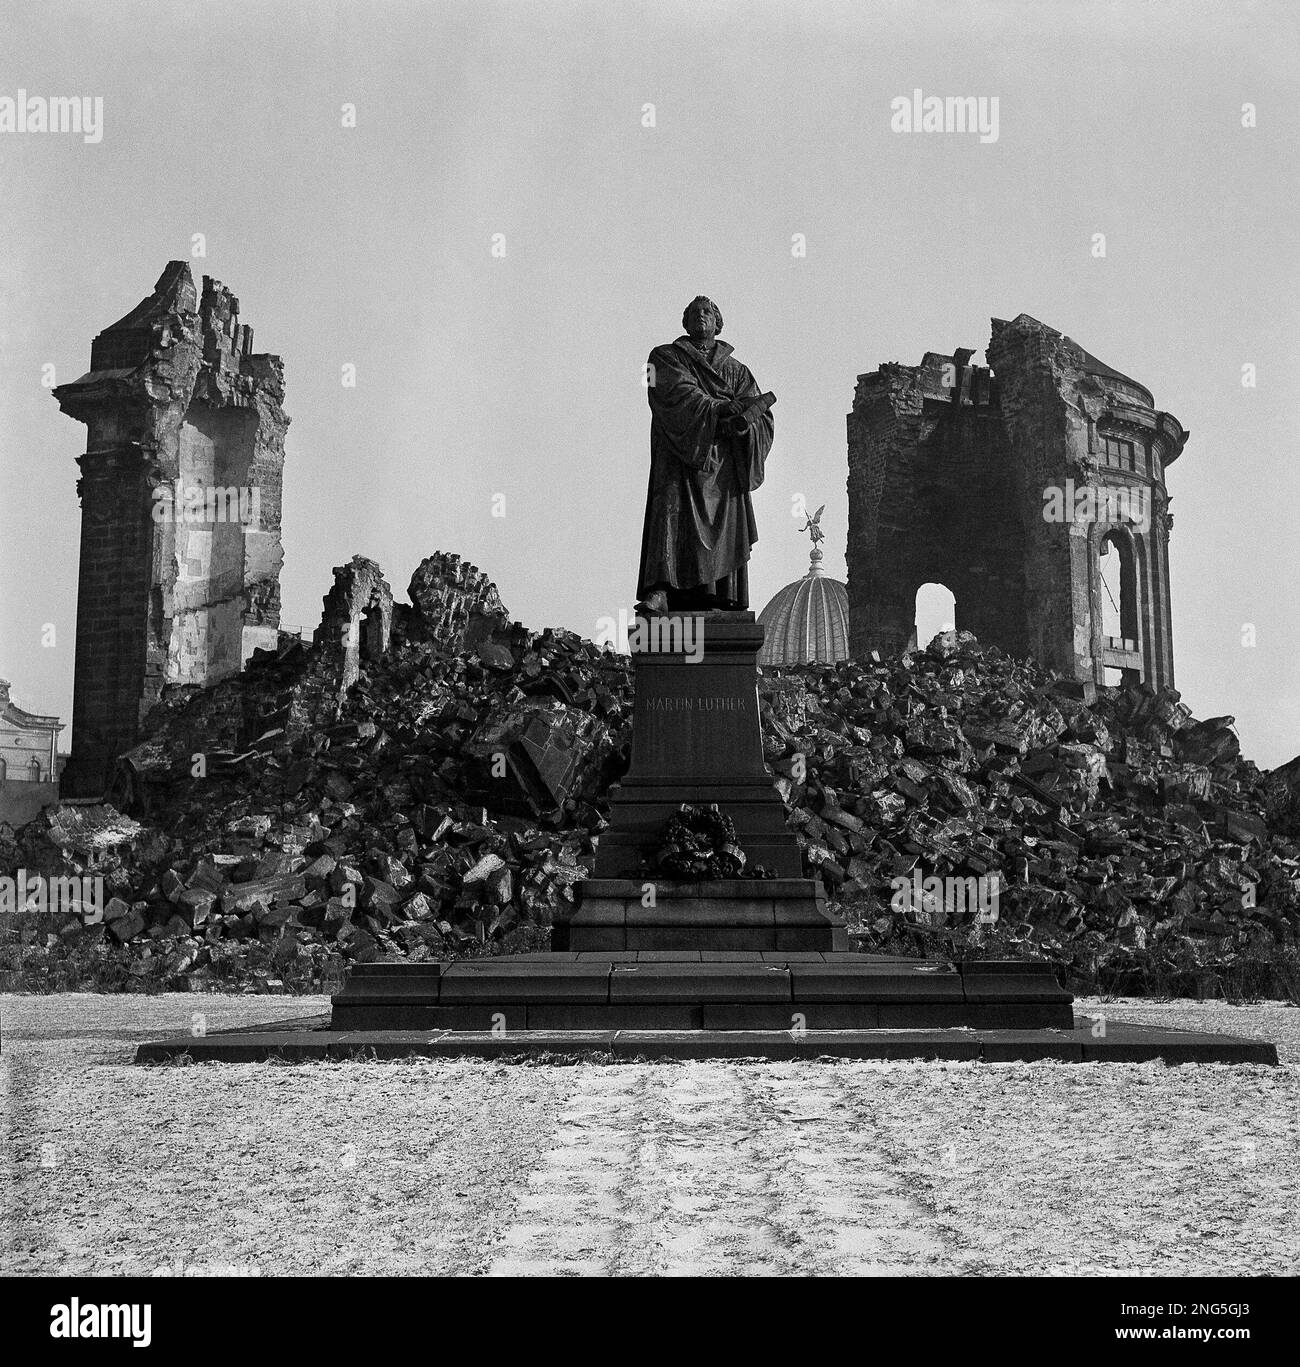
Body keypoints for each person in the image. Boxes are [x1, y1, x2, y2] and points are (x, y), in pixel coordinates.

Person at [636, 296, 774, 612]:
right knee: (670, 516)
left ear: (717, 322)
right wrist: (721, 408)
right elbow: (675, 393)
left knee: (723, 524)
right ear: (686, 322)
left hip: (721, 466)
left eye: (707, 311)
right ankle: (662, 592)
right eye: (695, 312)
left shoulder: (737, 371)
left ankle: (721, 594)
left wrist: (746, 424)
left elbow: (760, 415)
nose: (701, 315)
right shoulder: (665, 357)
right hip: (680, 455)